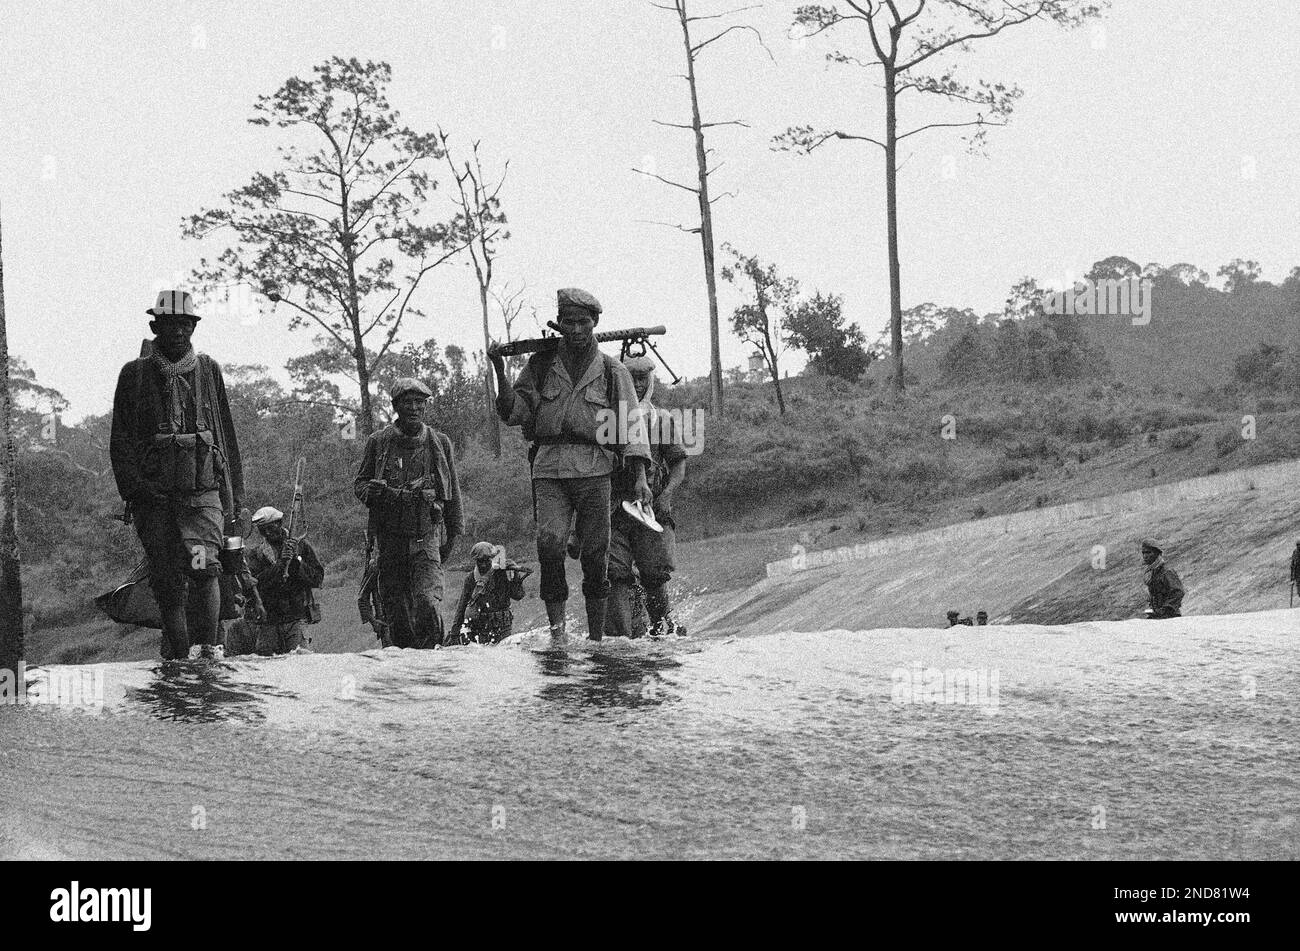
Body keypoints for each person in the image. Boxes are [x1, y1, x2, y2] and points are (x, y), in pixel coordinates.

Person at [488, 288, 651, 640]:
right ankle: (558, 633)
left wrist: (640, 478)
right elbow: (513, 411)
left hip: (595, 467)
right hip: (549, 468)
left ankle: (595, 637)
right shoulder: (542, 364)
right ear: (559, 324)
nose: (576, 329)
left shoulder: (611, 370)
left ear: (595, 323)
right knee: (549, 543)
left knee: (596, 553)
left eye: (583, 322)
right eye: (569, 322)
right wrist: (499, 370)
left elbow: (632, 425)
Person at [109, 290, 243, 660]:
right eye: (170, 324)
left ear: (193, 327)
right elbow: (120, 440)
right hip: (155, 501)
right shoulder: (134, 375)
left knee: (203, 569)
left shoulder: (208, 370)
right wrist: (137, 490)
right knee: (167, 582)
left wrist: (236, 499)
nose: (179, 332)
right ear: (155, 327)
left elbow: (226, 436)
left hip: (201, 497)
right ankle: (181, 660)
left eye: (185, 324)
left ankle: (207, 652)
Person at [353, 379, 463, 648]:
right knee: (397, 614)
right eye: (407, 402)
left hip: (426, 537)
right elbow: (360, 484)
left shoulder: (440, 443)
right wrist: (376, 492)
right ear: (396, 406)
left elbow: (454, 492)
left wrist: (454, 532)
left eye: (420, 402)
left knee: (427, 603)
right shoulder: (379, 442)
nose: (414, 408)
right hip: (390, 540)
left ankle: (435, 660)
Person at [605, 354, 688, 638]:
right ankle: (620, 638)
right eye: (631, 378)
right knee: (614, 574)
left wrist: (666, 495)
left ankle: (662, 628)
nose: (638, 385)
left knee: (654, 575)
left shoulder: (662, 419)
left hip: (650, 510)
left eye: (643, 378)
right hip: (615, 510)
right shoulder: (609, 420)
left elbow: (678, 464)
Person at [246, 506, 324, 654]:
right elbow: (256, 584)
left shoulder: (301, 546)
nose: (268, 533)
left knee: (302, 664)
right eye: (263, 530)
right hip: (268, 622)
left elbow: (317, 578)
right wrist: (281, 564)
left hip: (296, 619)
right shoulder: (256, 554)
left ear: (280, 523)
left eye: (271, 528)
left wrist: (295, 562)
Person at [448, 542, 530, 645]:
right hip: (479, 628)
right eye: (480, 561)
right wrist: (454, 633)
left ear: (492, 559)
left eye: (487, 561)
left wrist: (515, 576)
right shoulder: (471, 579)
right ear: (475, 560)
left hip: (503, 627)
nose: (483, 564)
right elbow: (462, 606)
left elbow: (518, 595)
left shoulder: (502, 573)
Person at [1141, 539, 1185, 619]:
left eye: (1148, 552)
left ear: (1157, 554)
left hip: (1170, 616)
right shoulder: (1153, 572)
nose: (1145, 556)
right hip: (1158, 615)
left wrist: (1166, 610)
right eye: (1143, 553)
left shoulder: (1166, 571)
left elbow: (1178, 592)